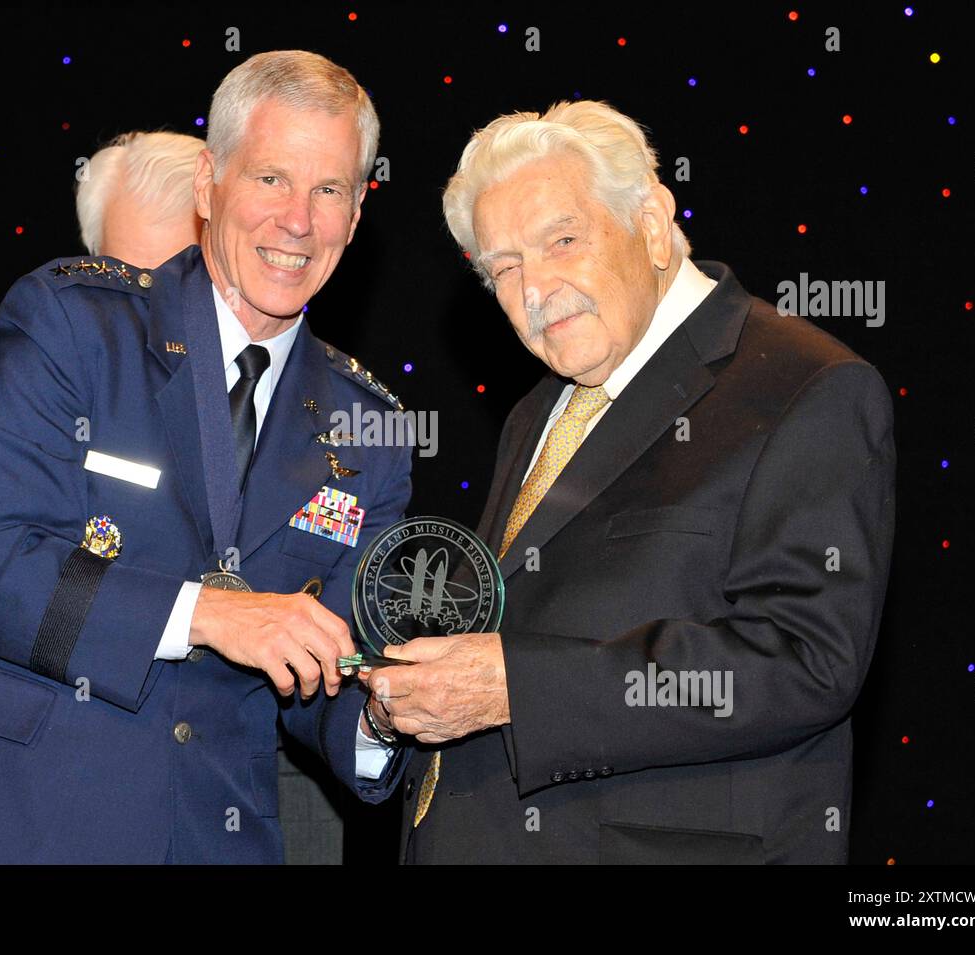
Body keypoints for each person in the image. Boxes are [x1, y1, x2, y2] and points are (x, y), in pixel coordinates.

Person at [0, 49, 411, 864]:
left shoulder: (370, 431)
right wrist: (209, 612)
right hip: (11, 826)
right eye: (270, 179)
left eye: (329, 189)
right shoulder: (71, 324)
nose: (297, 219)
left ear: (357, 213)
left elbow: (318, 674)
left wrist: (379, 715)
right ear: (208, 185)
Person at [362, 99, 896, 864]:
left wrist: (519, 688)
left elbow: (805, 659)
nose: (535, 288)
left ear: (650, 224)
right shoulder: (540, 411)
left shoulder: (804, 386)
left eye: (563, 240)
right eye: (503, 267)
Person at [0, 130, 206, 683]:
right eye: (128, 280)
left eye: (184, 279)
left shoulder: (296, 408)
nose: (153, 307)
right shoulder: (34, 391)